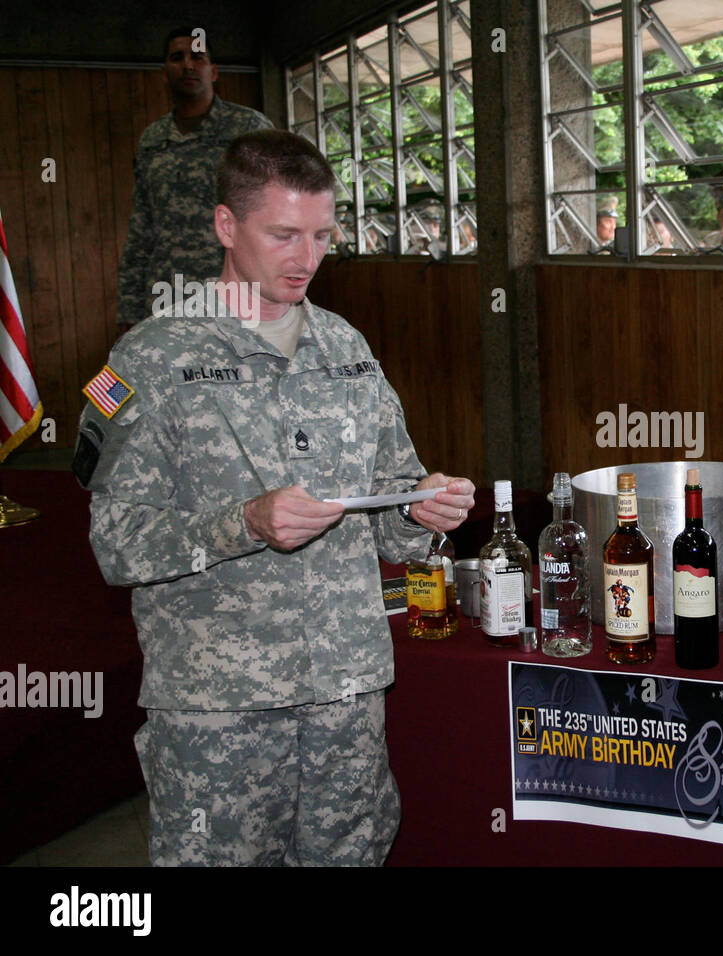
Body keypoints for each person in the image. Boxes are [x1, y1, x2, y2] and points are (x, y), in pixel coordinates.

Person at [74, 129, 476, 866]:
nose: (307, 258)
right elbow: (116, 543)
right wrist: (244, 524)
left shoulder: (347, 349)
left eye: (323, 235)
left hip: (346, 701)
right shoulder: (151, 361)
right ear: (227, 226)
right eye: (284, 234)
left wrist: (424, 507)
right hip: (217, 716)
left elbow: (394, 513)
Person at [118, 27, 272, 331]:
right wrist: (128, 308)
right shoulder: (153, 139)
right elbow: (141, 227)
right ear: (164, 73)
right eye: (177, 58)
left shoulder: (249, 129)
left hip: (234, 293)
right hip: (166, 297)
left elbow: (275, 213)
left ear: (213, 72)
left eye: (197, 57)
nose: (188, 65)